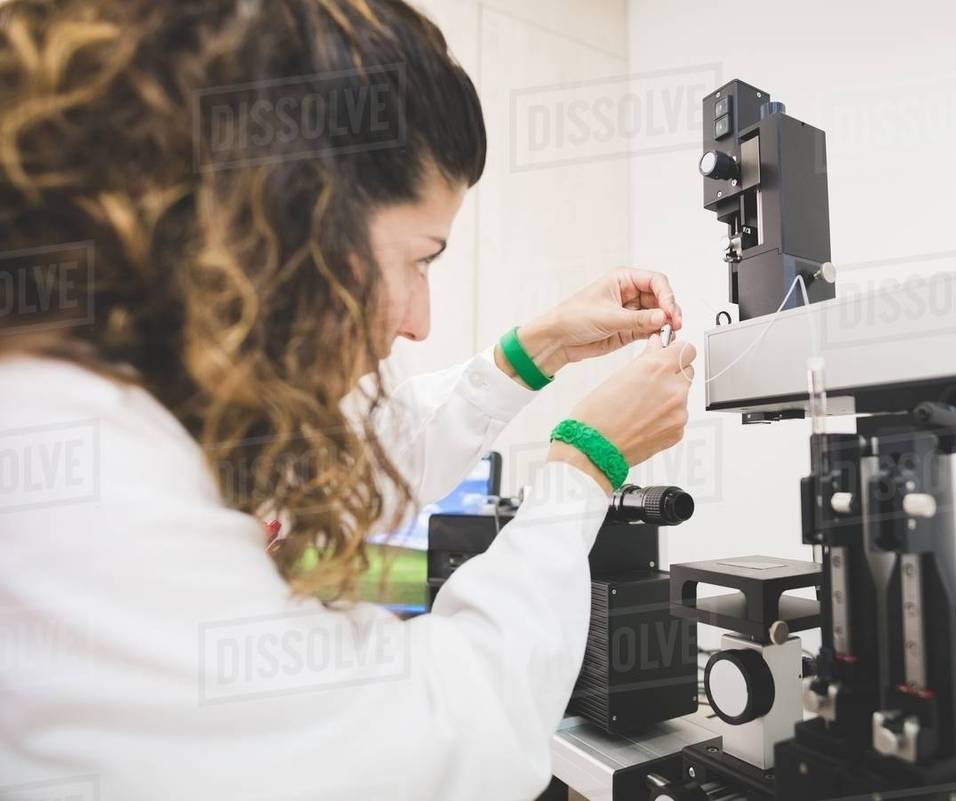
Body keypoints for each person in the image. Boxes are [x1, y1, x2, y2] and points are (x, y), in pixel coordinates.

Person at [0, 2, 696, 799]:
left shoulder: (123, 378)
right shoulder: (75, 470)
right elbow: (439, 743)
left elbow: (335, 462)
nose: (418, 320)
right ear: (292, 217)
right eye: (420, 258)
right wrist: (586, 463)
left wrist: (537, 349)